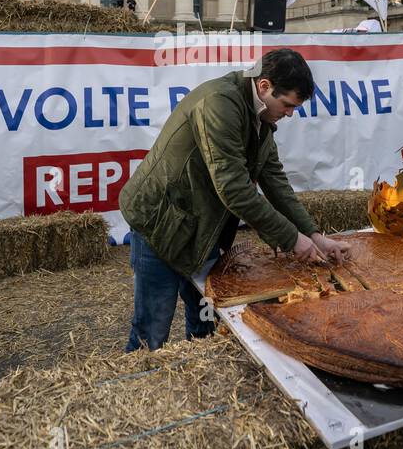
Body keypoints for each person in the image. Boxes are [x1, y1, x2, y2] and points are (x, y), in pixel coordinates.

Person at [118, 48, 349, 351]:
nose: (291, 113)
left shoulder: (261, 116)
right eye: (288, 104)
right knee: (153, 326)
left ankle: (200, 379)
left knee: (206, 318)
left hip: (202, 227)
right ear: (264, 86)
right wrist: (293, 239)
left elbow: (275, 180)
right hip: (161, 223)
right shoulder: (219, 103)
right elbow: (234, 188)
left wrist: (314, 235)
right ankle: (141, 383)